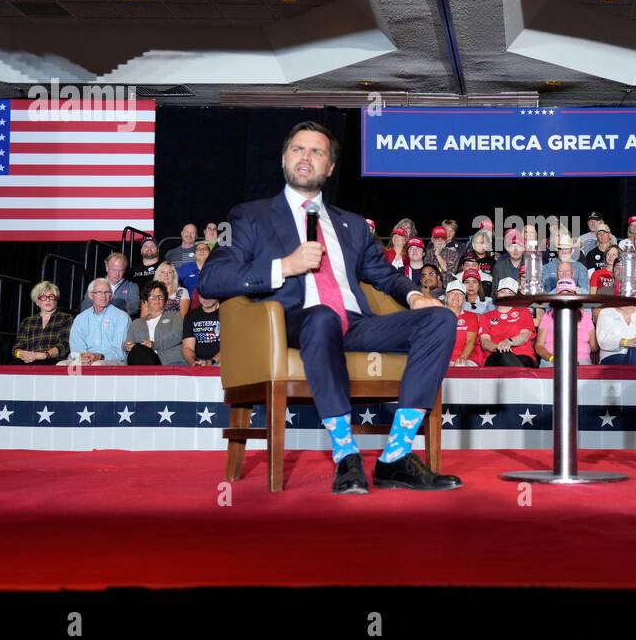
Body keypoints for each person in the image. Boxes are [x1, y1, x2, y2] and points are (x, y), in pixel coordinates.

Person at [200, 120, 460, 494]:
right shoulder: (251, 216)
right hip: (290, 324)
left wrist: (414, 296)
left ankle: (396, 457)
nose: (306, 157)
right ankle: (346, 455)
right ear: (283, 158)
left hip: (354, 324)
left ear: (330, 167)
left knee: (439, 320)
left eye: (317, 152)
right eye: (298, 149)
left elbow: (385, 276)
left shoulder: (352, 225)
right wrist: (283, 267)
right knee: (321, 317)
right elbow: (213, 278)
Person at [535, 277, 597, 366]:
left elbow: (594, 346)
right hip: (552, 360)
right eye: (562, 293)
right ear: (556, 296)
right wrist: (552, 358)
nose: (565, 296)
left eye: (569, 292)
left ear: (575, 295)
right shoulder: (547, 316)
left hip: (581, 361)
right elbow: (539, 346)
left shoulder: (585, 316)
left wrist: (581, 351)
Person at [68, 278, 131, 365]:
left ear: (111, 295)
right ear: (91, 296)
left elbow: (120, 351)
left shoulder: (121, 317)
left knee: (97, 365)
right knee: (62, 365)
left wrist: (99, 356)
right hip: (84, 359)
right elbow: (76, 346)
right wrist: (85, 358)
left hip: (111, 360)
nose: (103, 296)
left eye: (107, 292)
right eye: (99, 292)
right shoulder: (80, 318)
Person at [125, 280, 187, 366]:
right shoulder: (136, 323)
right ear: (146, 302)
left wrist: (154, 344)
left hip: (170, 361)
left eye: (160, 296)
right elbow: (128, 342)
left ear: (165, 300)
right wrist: (127, 346)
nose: (157, 299)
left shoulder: (175, 316)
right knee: (137, 350)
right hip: (143, 360)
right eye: (153, 297)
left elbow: (177, 336)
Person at [479, 278, 537, 367]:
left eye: (510, 293)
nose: (506, 295)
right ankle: (521, 377)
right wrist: (499, 347)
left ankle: (519, 375)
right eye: (503, 291)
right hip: (495, 355)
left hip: (522, 355)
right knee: (501, 357)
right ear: (497, 293)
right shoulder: (486, 316)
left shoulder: (524, 312)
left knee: (508, 359)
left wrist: (508, 342)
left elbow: (525, 336)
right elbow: (485, 342)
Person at [12, 281, 73, 364]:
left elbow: (65, 344)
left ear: (56, 299)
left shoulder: (66, 318)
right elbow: (16, 347)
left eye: (51, 296)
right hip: (29, 360)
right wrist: (21, 354)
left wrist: (45, 355)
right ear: (37, 302)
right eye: (43, 297)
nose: (47, 300)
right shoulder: (27, 321)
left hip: (52, 360)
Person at [597, 297, 636, 364]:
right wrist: (627, 342)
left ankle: (633, 371)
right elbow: (604, 341)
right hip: (613, 357)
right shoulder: (607, 312)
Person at [80, 252, 140, 317]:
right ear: (107, 268)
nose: (117, 274)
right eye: (114, 270)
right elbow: (85, 307)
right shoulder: (96, 284)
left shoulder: (132, 287)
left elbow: (132, 309)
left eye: (121, 270)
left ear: (125, 270)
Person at [444, 279, 479, 366]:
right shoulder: (437, 315)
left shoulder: (470, 317)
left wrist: (462, 358)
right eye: (452, 292)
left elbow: (470, 341)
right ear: (446, 296)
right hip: (442, 358)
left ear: (464, 299)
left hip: (465, 359)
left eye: (460, 294)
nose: (456, 296)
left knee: (460, 365)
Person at [182, 295, 222, 366]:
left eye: (208, 294)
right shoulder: (191, 316)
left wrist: (211, 361)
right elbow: (188, 348)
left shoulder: (227, 314)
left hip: (220, 361)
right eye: (202, 294)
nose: (205, 297)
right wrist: (193, 363)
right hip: (198, 361)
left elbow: (231, 347)